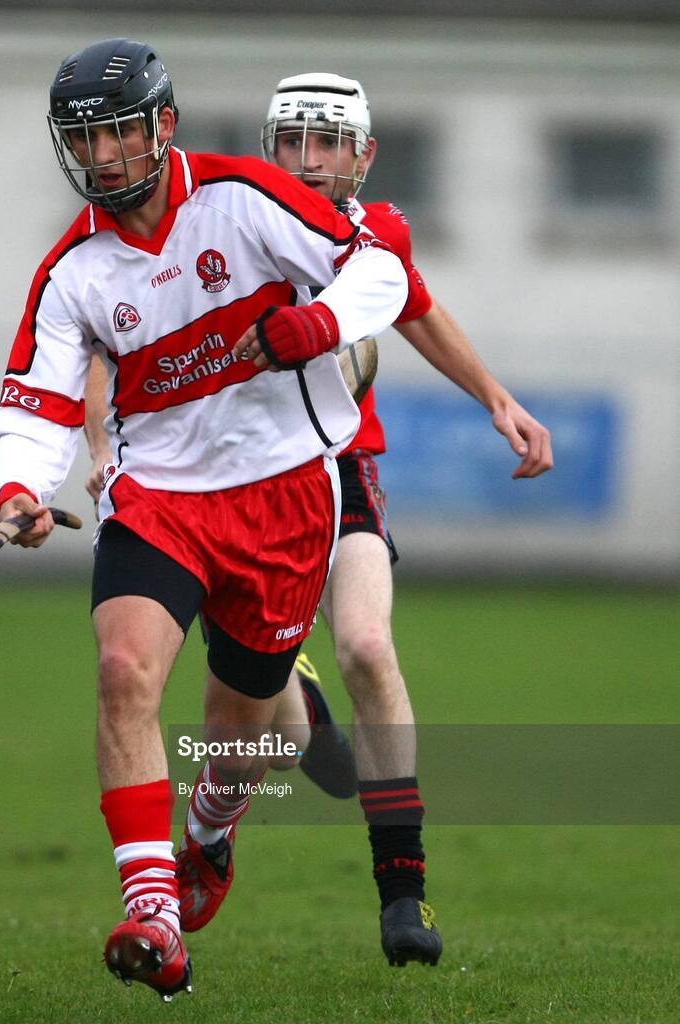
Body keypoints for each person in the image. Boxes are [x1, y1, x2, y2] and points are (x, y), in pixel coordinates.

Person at [0, 41, 409, 1000]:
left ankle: (210, 840)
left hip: (286, 497)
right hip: (159, 503)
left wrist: (319, 324)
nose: (100, 155)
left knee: (239, 730)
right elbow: (38, 400)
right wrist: (18, 487)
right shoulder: (74, 271)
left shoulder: (244, 197)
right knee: (123, 668)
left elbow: (376, 270)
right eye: (82, 138)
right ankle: (154, 915)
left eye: (117, 131)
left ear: (161, 126)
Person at [255, 73, 553, 967]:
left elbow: (416, 310)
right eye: (293, 140)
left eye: (330, 141)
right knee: (266, 717)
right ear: (268, 148)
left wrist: (497, 398)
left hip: (344, 467)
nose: (310, 160)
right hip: (246, 481)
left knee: (369, 647)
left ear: (364, 153)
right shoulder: (226, 226)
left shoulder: (378, 233)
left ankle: (404, 897)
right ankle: (295, 706)